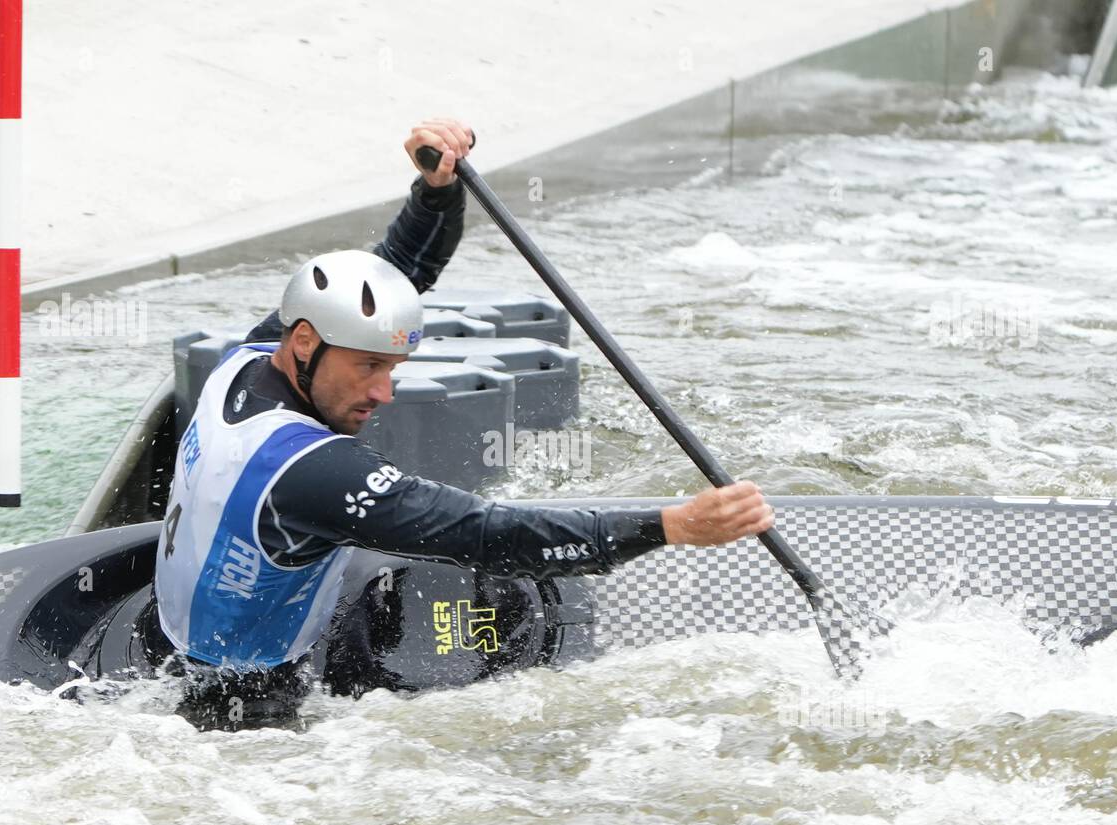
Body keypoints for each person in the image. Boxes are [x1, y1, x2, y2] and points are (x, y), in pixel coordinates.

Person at [148, 118, 775, 731]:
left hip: (176, 642)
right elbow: (484, 534)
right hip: (246, 715)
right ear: (307, 343)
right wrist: (670, 526)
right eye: (369, 366)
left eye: (393, 366)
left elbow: (397, 269)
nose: (383, 391)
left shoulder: (250, 360)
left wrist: (436, 194)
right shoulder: (310, 472)